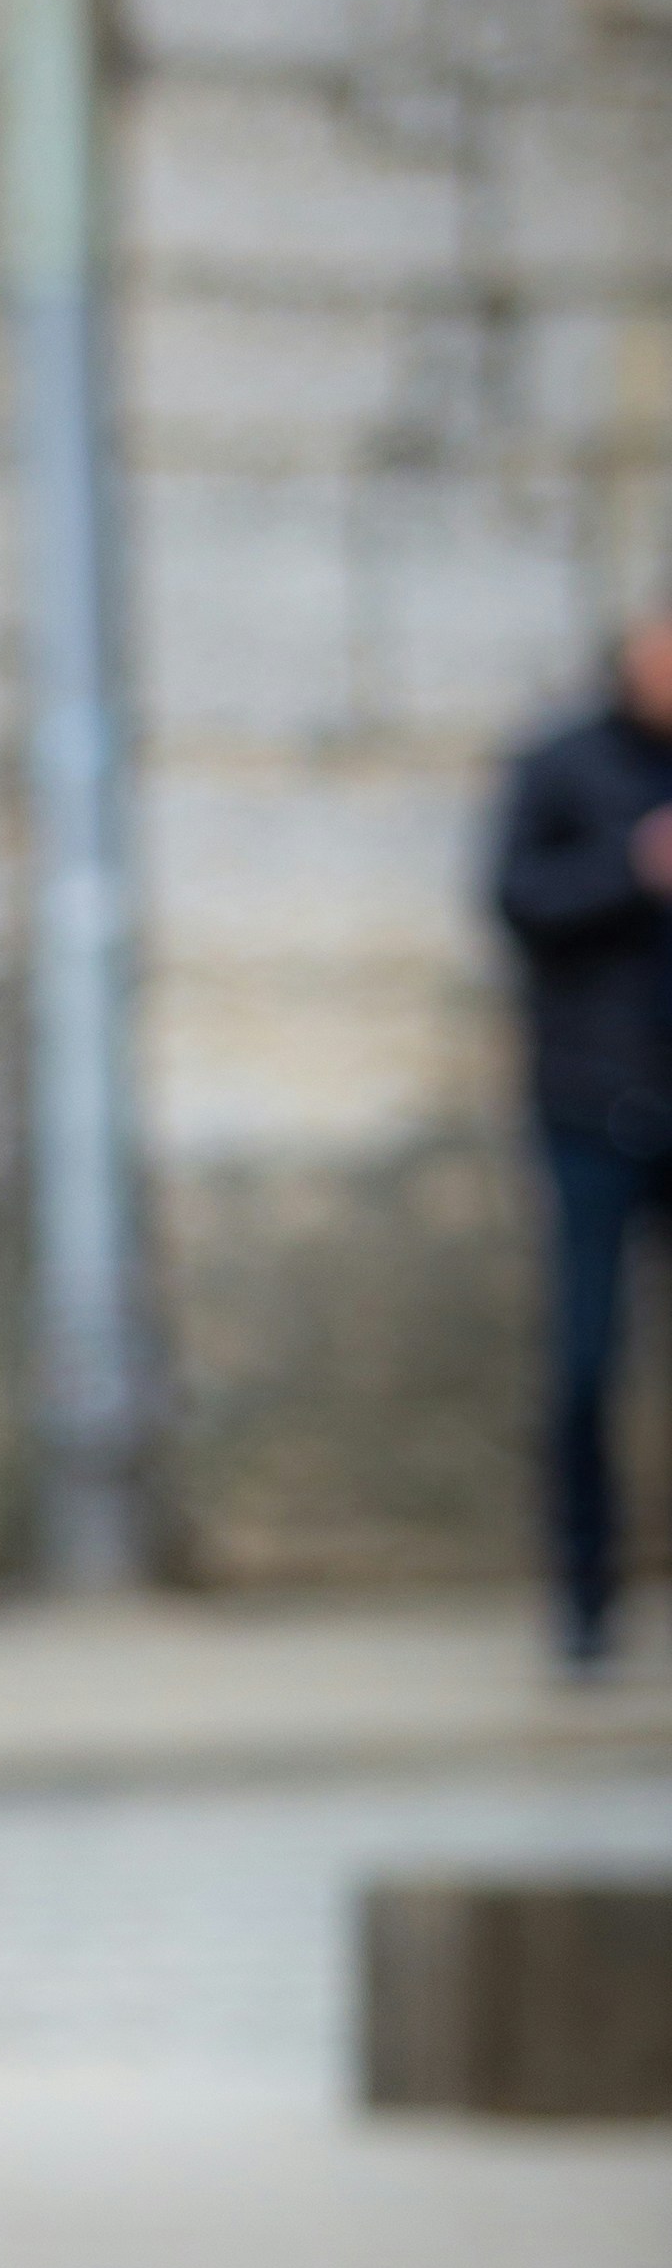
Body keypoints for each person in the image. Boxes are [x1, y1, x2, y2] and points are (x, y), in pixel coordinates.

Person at [489, 613, 672, 1660]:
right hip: (592, 1108)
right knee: (586, 1357)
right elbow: (516, 898)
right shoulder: (563, 765)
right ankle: (583, 1601)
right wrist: (634, 866)